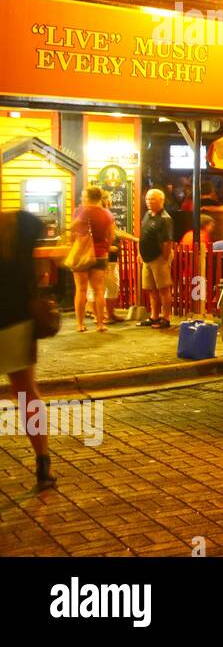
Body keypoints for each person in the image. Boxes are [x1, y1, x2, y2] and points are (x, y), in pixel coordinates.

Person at [0, 209, 57, 491]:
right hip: (16, 320)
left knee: (25, 392)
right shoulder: (20, 225)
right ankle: (42, 462)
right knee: (26, 392)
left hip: (13, 320)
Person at [70, 185, 116, 333]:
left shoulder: (81, 211)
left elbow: (73, 228)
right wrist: (106, 246)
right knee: (99, 290)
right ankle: (100, 324)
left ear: (87, 197)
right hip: (101, 254)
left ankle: (80, 324)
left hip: (83, 254)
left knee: (81, 290)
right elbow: (111, 236)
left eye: (84, 196)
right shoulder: (107, 214)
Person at [138, 187, 174, 329]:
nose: (148, 201)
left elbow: (167, 242)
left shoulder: (165, 219)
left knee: (163, 289)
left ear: (161, 201)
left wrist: (164, 258)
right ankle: (154, 316)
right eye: (147, 198)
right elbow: (143, 234)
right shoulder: (147, 215)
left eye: (152, 199)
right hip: (147, 258)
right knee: (150, 289)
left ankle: (165, 318)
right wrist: (140, 253)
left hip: (158, 258)